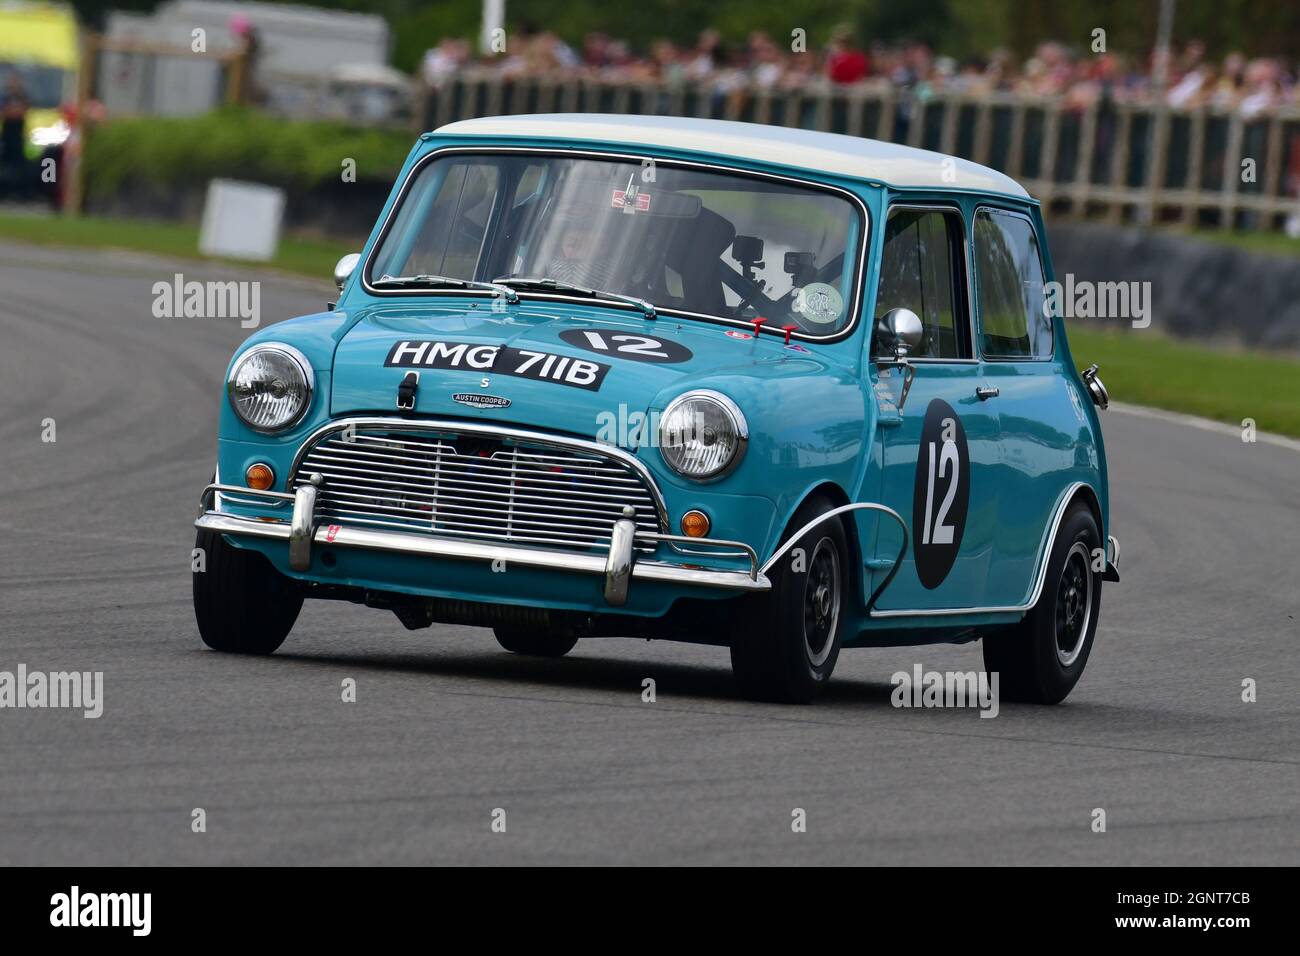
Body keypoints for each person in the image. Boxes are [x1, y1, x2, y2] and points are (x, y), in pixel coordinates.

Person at [0, 70, 30, 199]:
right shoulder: (5, 97)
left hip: (18, 137)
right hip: (6, 137)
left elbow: (21, 112)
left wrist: (11, 112)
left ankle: (20, 192)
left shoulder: (23, 97)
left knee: (19, 166)